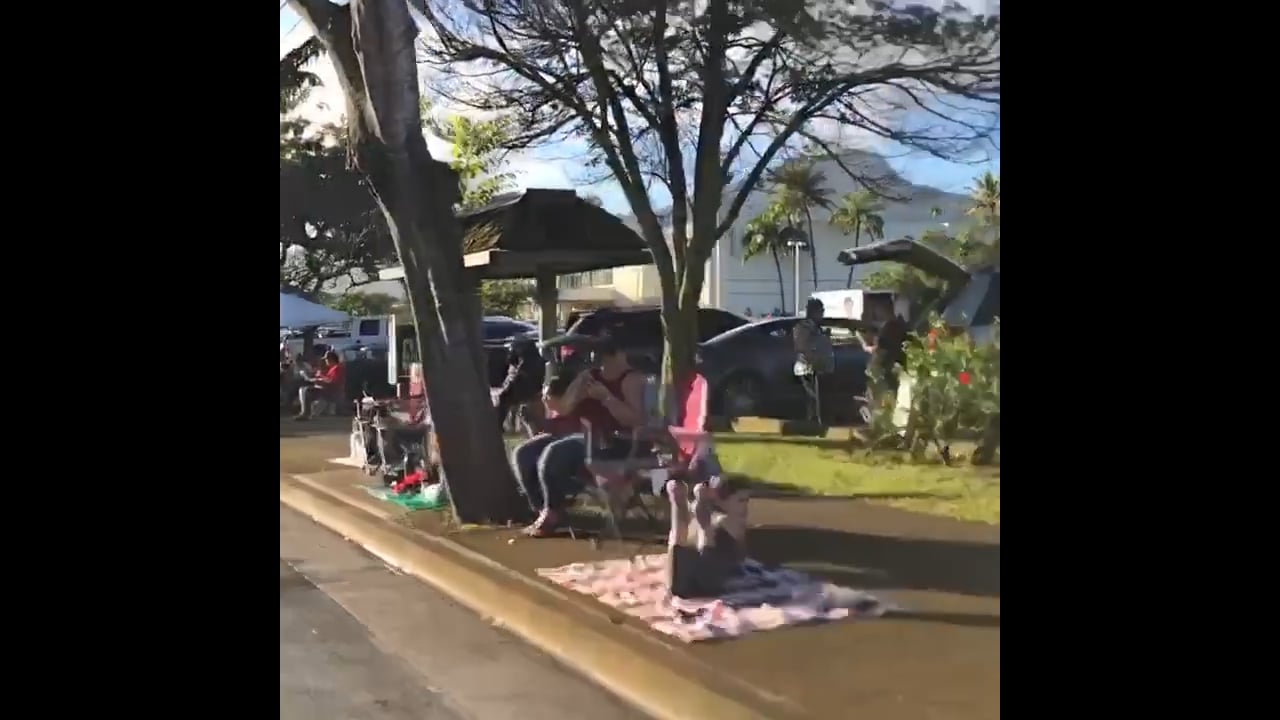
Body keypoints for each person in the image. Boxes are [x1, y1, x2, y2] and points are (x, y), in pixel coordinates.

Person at [509, 336, 645, 537]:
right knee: (524, 453)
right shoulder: (589, 376)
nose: (601, 363)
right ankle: (544, 509)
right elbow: (562, 409)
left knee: (555, 452)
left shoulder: (631, 379)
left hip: (612, 443)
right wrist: (576, 395)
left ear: (619, 355)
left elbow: (636, 420)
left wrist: (606, 398)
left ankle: (552, 512)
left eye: (605, 357)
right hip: (582, 438)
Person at [494, 338, 546, 433]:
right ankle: (500, 425)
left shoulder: (530, 361)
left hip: (529, 391)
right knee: (504, 397)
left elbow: (518, 377)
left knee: (504, 397)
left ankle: (498, 425)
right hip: (525, 390)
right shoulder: (527, 359)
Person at [295, 350, 345, 420]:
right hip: (327, 389)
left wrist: (320, 380)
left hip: (332, 391)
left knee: (306, 390)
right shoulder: (332, 368)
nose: (326, 361)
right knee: (303, 389)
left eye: (326, 359)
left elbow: (333, 382)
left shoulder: (337, 368)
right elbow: (328, 379)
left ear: (331, 359)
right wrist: (319, 377)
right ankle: (305, 413)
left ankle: (305, 414)